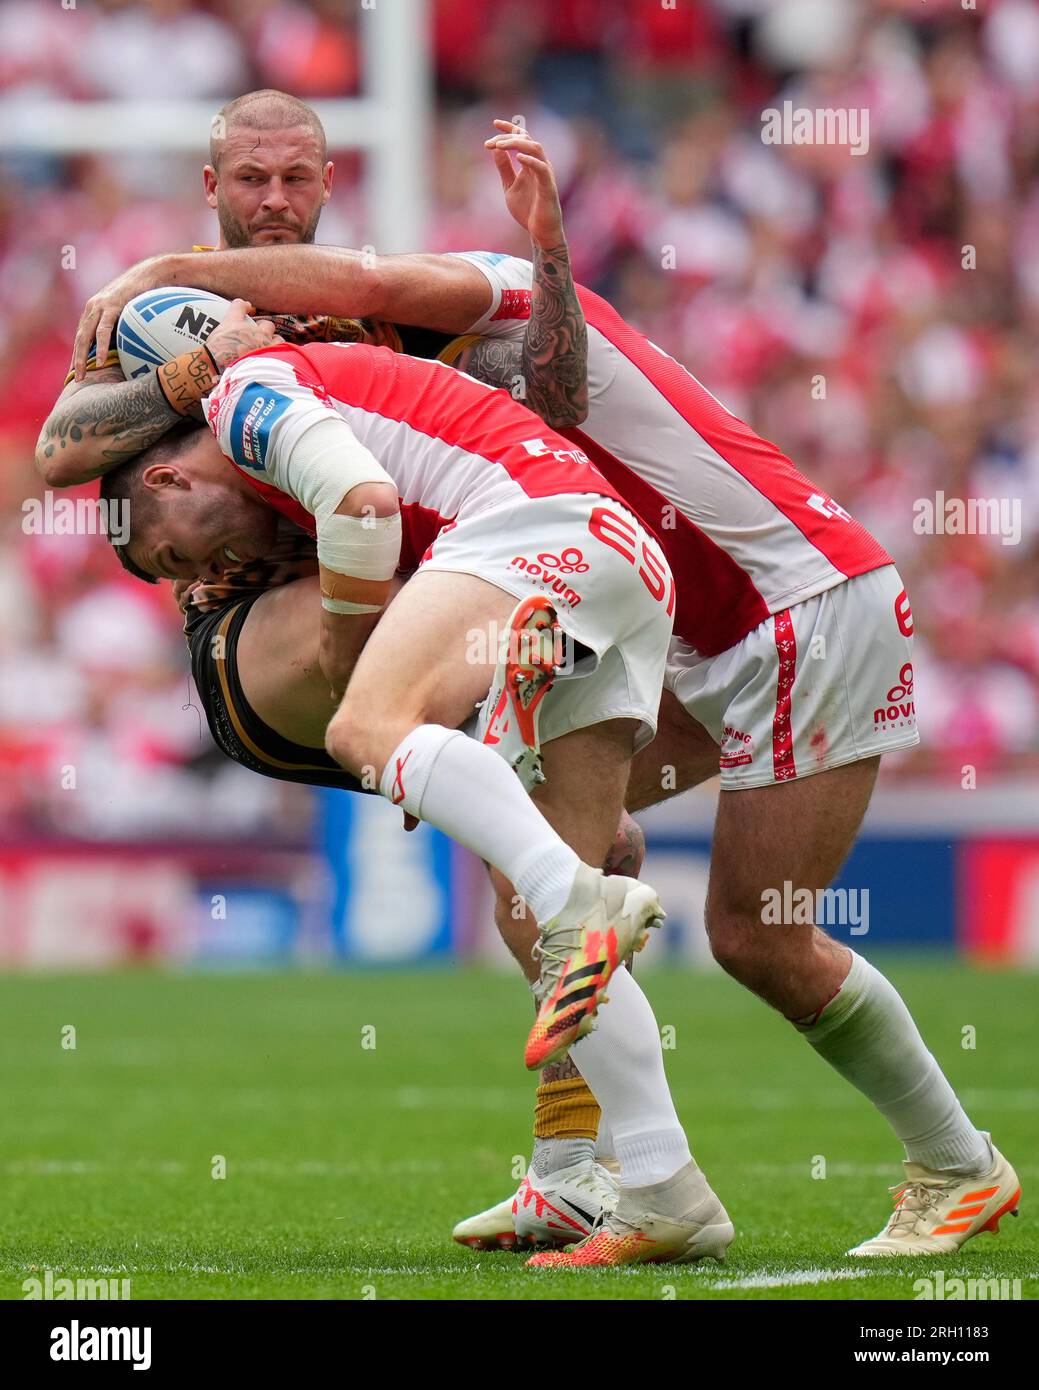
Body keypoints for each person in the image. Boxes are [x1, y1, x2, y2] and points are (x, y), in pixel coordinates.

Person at [45, 101, 1020, 1267]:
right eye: (249, 176)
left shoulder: (467, 298)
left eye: (295, 176)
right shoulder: (245, 350)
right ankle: (585, 1172)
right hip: (652, 604)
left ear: (332, 184)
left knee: (754, 934)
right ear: (212, 176)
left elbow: (433, 351)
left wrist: (185, 272)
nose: (272, 198)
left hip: (780, 601)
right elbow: (68, 449)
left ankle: (957, 1162)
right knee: (546, 859)